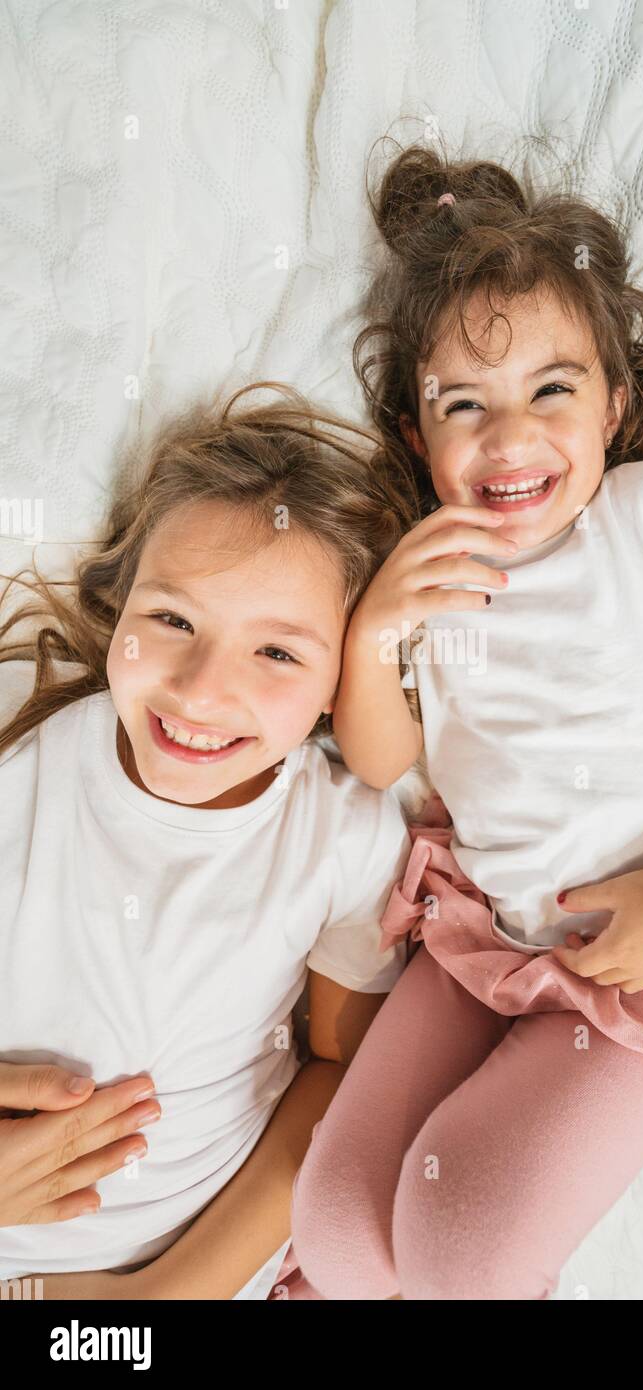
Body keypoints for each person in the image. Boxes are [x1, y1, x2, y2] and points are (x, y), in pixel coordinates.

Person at [280, 143, 643, 1300]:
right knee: (334, 1235)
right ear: (418, 434)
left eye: (551, 390)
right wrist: (379, 623)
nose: (508, 435)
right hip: (483, 932)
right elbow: (382, 756)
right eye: (463, 405)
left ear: (616, 404)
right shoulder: (431, 570)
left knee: (457, 1242)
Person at [0, 382, 416, 1298]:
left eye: (277, 653)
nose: (198, 689)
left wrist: (164, 1297)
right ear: (120, 609)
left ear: (338, 686)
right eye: (174, 620)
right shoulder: (21, 753)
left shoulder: (339, 834)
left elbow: (341, 1077)